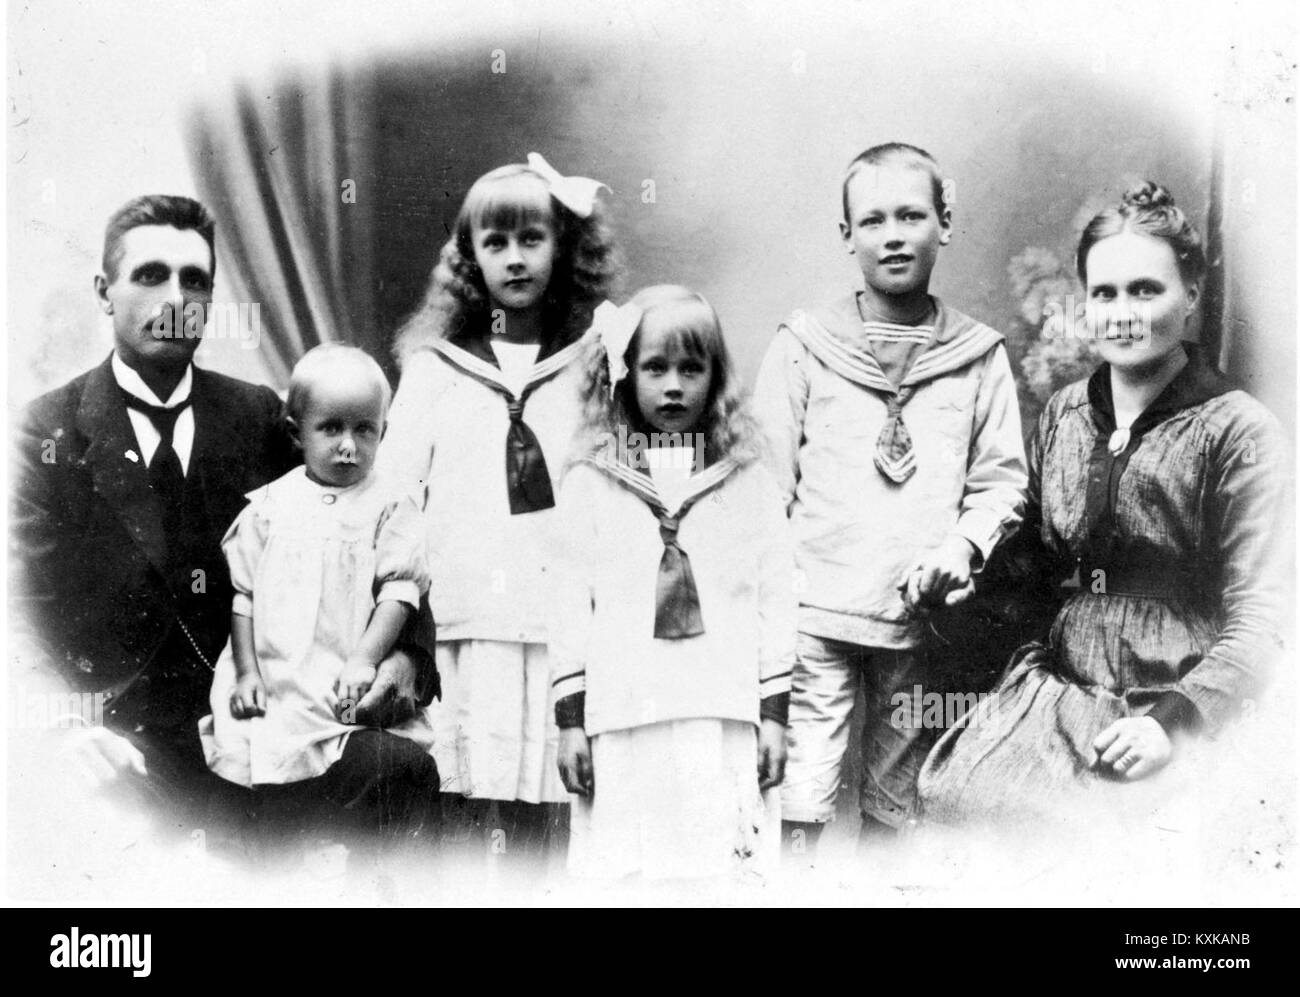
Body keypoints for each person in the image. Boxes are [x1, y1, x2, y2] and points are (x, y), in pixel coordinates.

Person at [10, 194, 435, 859]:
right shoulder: (43, 432)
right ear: (104, 291)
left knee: (398, 771)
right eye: (150, 275)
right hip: (133, 741)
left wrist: (409, 654)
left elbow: (379, 522)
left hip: (264, 729)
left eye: (195, 280)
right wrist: (63, 726)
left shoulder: (259, 415)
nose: (175, 297)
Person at [917, 182, 1290, 825]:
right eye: (1104, 293)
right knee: (961, 804)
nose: (1122, 312)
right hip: (1061, 684)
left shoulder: (1240, 432)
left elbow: (1266, 617)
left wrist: (1174, 723)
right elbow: (1031, 558)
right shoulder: (1065, 412)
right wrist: (965, 583)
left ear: (1192, 295)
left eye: (1146, 290)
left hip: (1174, 693)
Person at [751, 143, 1028, 857]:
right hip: (817, 609)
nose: (894, 234)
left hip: (920, 614)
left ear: (946, 222)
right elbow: (762, 484)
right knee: (802, 783)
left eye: (912, 214)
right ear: (846, 235)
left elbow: (1002, 479)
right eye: (872, 220)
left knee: (898, 796)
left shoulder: (978, 355)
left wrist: (959, 549)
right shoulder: (805, 346)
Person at [378, 154, 621, 866]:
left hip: (561, 627)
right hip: (464, 627)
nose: (515, 258)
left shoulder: (594, 364)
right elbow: (395, 500)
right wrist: (402, 614)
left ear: (565, 249)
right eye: (496, 243)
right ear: (469, 260)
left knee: (559, 806)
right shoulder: (434, 370)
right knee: (467, 801)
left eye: (532, 239)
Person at [551, 286, 795, 881]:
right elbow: (567, 605)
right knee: (630, 873)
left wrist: (776, 717)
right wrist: (571, 723)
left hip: (722, 717)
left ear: (716, 376)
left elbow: (776, 598)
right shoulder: (591, 482)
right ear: (624, 373)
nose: (674, 386)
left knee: (718, 870)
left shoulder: (748, 481)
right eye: (655, 368)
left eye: (693, 368)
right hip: (623, 719)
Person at [199, 344, 440, 856]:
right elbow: (243, 597)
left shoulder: (390, 505)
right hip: (277, 675)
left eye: (364, 429)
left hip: (341, 675)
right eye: (331, 429)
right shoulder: (268, 509)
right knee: (264, 779)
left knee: (382, 773)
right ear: (296, 433)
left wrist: (364, 658)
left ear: (383, 432)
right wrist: (246, 673)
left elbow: (401, 593)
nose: (349, 446)